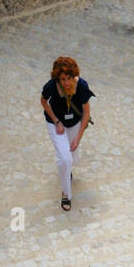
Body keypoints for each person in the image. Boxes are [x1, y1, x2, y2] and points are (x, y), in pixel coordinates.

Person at [40, 56, 94, 212]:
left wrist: (78, 138)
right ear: (58, 78)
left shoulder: (82, 86)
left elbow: (86, 112)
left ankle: (67, 171)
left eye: (69, 78)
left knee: (71, 156)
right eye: (63, 79)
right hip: (56, 124)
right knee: (64, 158)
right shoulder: (51, 86)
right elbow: (43, 101)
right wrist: (56, 121)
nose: (66, 83)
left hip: (74, 123)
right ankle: (66, 193)